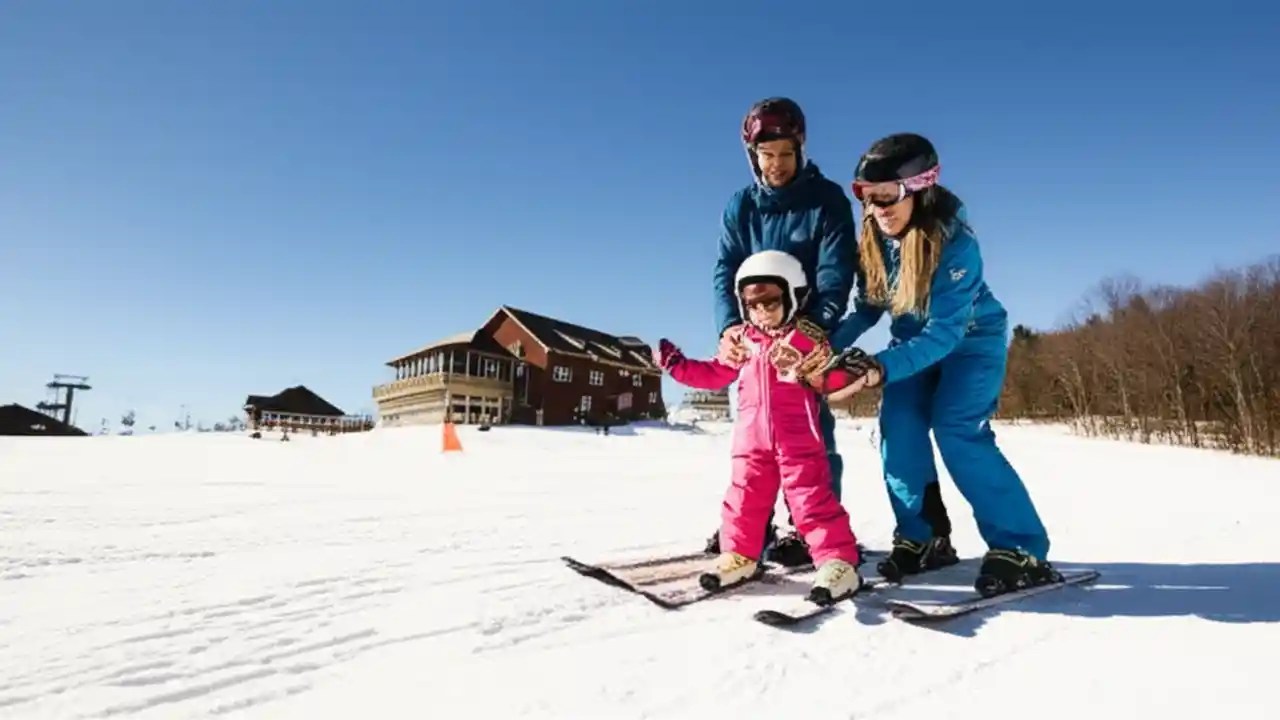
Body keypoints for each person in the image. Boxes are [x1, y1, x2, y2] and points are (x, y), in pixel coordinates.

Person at [818, 132, 1059, 597]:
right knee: (899, 427)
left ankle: (1021, 545)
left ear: (918, 188)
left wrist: (874, 369)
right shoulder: (874, 236)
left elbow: (945, 333)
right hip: (912, 345)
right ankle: (923, 536)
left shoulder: (955, 243)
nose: (877, 209)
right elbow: (868, 308)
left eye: (886, 196)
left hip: (970, 344)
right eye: (867, 197)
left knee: (956, 429)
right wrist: (823, 349)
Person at [656, 249, 863, 603]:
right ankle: (739, 555)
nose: (762, 312)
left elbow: (828, 378)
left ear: (793, 297)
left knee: (811, 502)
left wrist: (821, 365)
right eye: (753, 305)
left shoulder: (806, 340)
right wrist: (678, 366)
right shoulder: (742, 342)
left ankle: (837, 562)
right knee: (743, 500)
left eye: (771, 302)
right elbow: (714, 373)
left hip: (797, 441)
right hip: (751, 442)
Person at [705, 96, 855, 567]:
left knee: (808, 437)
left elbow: (836, 274)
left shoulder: (826, 200)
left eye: (785, 154)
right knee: (753, 436)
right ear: (753, 156)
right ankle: (752, 525)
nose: (777, 165)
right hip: (754, 335)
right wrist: (730, 327)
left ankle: (805, 526)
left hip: (807, 335)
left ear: (800, 150)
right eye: (767, 156)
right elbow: (724, 268)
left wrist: (811, 332)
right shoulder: (741, 206)